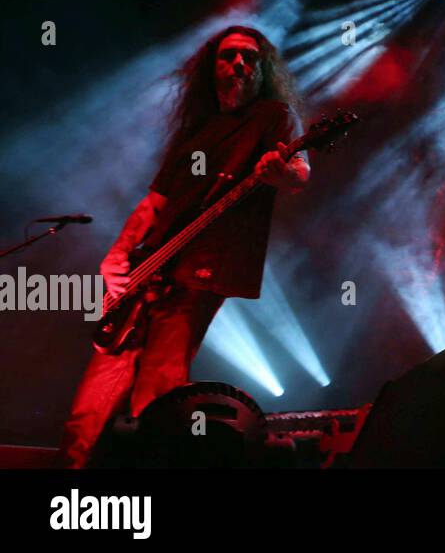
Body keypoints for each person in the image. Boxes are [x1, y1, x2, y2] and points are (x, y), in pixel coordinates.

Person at [59, 25, 309, 466]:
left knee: (159, 388)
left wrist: (281, 172)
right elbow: (155, 201)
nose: (239, 65)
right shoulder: (196, 129)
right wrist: (118, 255)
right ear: (211, 66)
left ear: (262, 68)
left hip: (204, 264)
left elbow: (300, 171)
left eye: (250, 59)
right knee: (90, 406)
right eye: (228, 56)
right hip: (147, 268)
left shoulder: (274, 115)